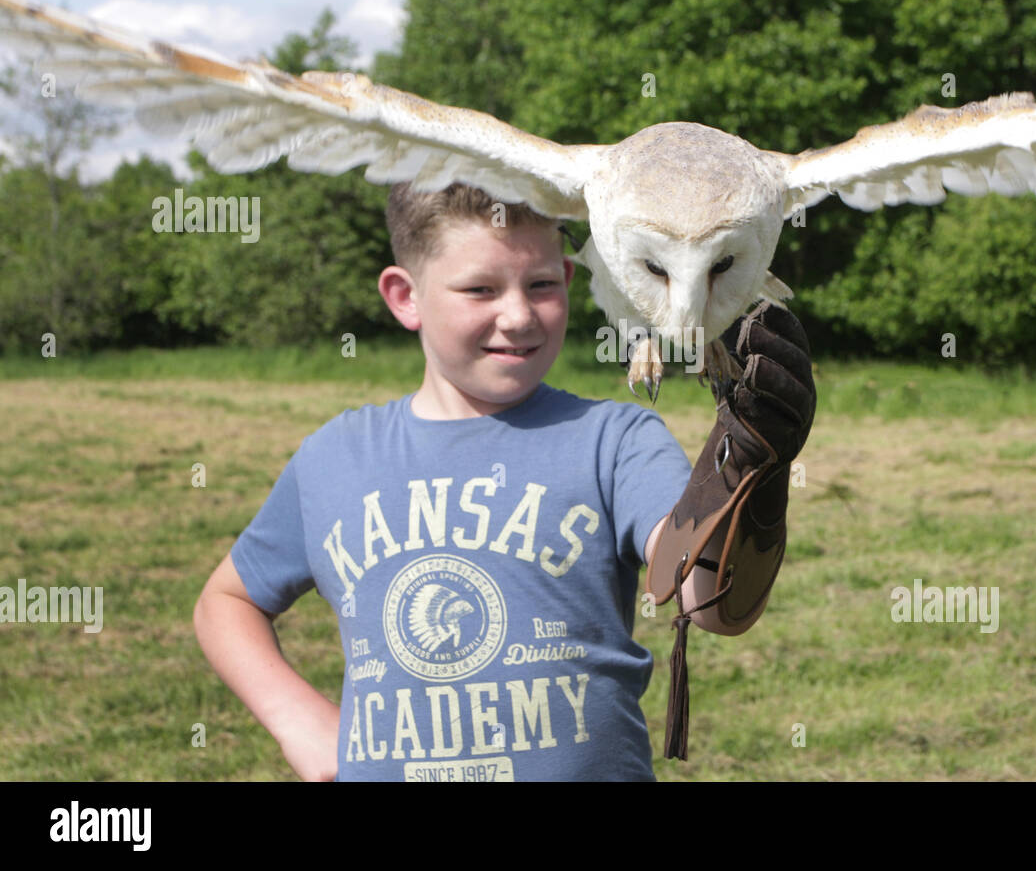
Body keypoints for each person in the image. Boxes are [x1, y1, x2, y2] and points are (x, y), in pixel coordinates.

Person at [192, 182, 815, 781]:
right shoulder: (334, 458)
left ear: (570, 279)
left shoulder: (616, 441)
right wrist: (292, 717)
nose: (517, 316)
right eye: (480, 289)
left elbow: (704, 596)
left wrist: (748, 473)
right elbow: (227, 602)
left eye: (540, 284)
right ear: (404, 297)